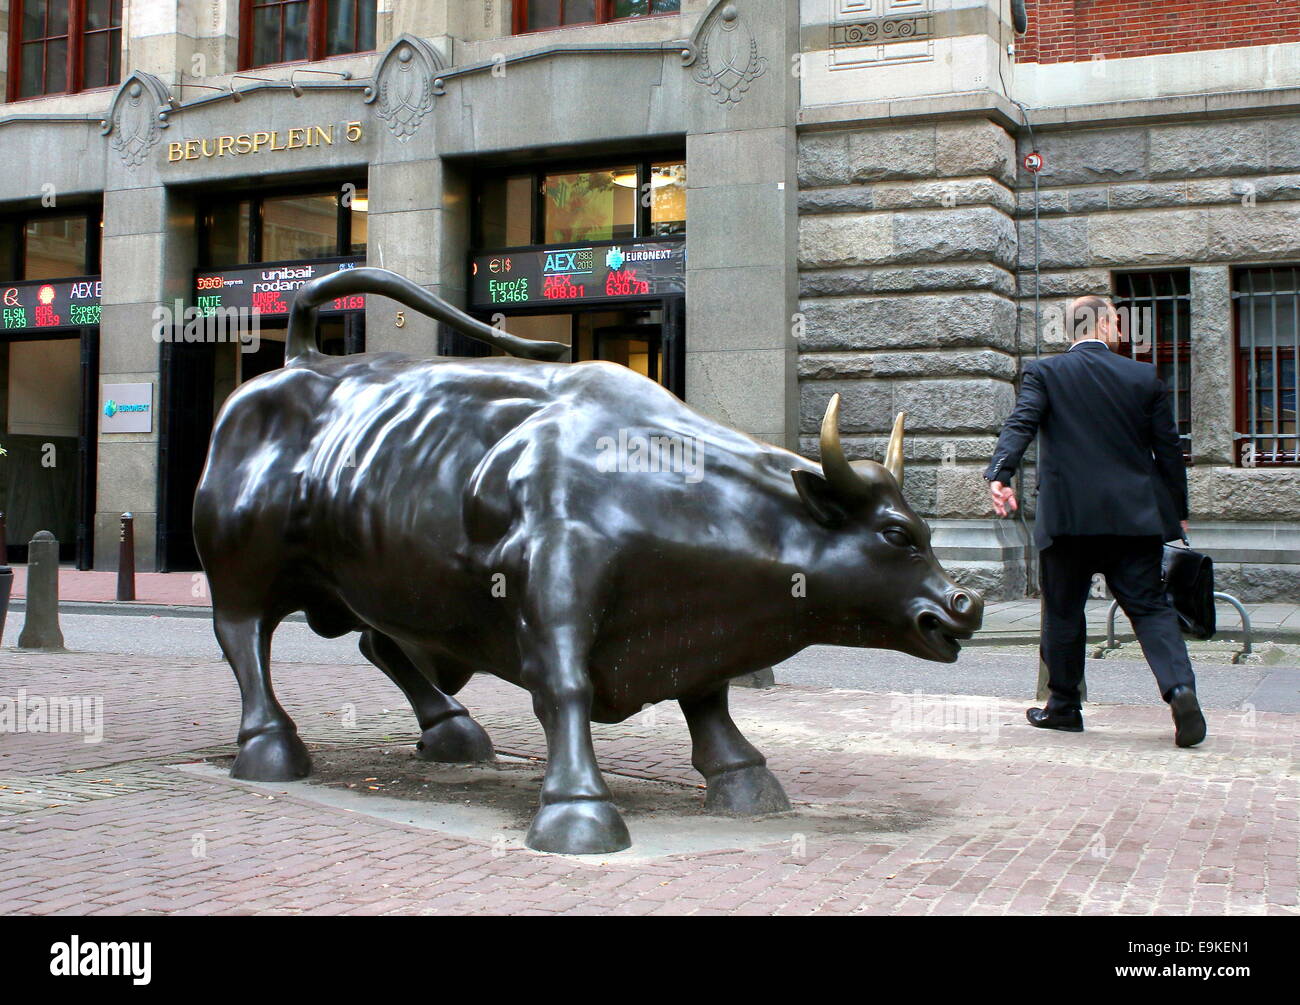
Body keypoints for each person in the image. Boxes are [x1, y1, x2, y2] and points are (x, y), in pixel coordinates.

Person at [985, 295, 1206, 747]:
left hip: (1067, 520)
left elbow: (1021, 424)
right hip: (1134, 519)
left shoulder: (1045, 372)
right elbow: (1169, 453)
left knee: (1063, 612)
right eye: (1117, 323)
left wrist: (1000, 473)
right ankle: (1180, 690)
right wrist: (1177, 514)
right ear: (1104, 324)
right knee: (1149, 608)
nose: (1121, 331)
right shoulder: (1142, 377)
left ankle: (1064, 708)